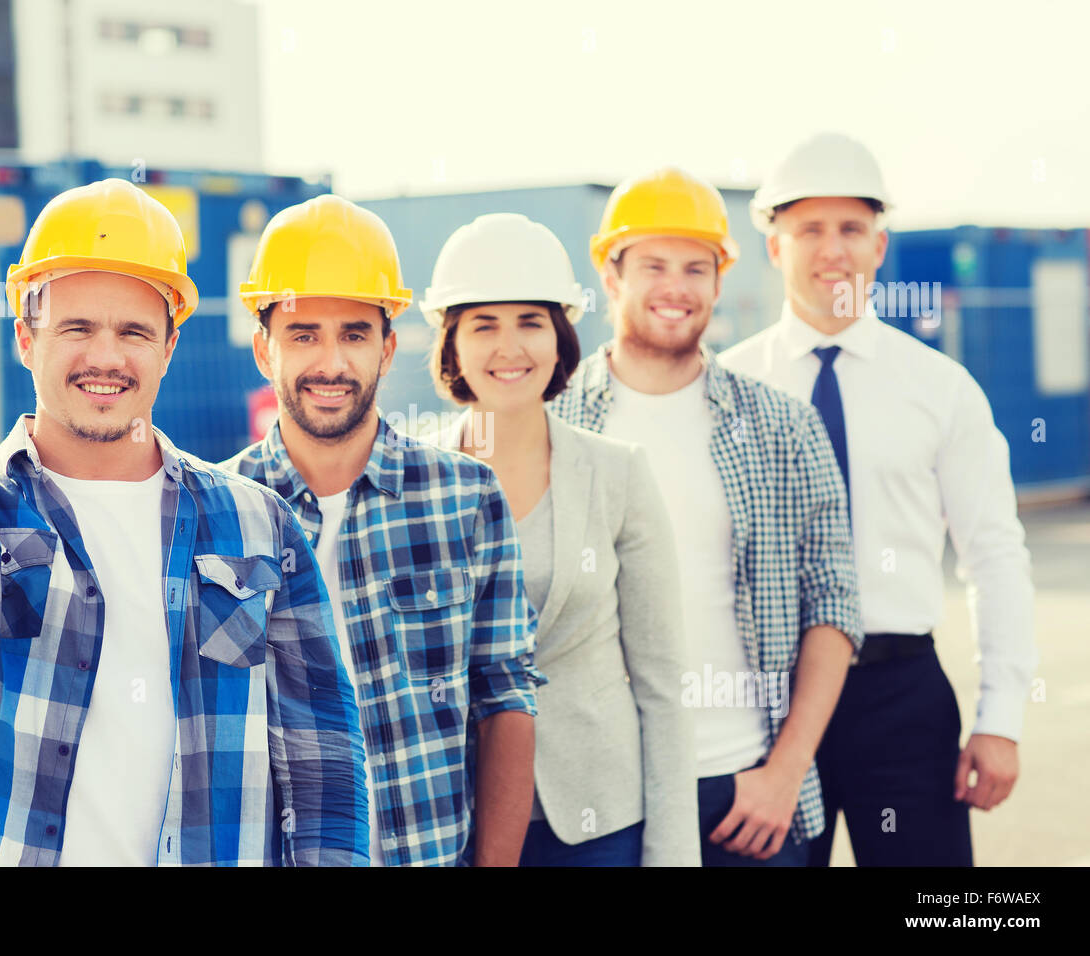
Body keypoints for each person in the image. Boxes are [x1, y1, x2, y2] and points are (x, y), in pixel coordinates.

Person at [0, 178, 367, 866]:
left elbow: (324, 766)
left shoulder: (259, 525)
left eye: (133, 331)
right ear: (25, 337)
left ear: (168, 347)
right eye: (76, 328)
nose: (105, 356)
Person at [720, 132, 1038, 866]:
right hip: (760, 701)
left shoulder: (940, 389)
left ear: (881, 245)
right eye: (810, 229)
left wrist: (1002, 718)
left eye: (852, 229)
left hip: (899, 700)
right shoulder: (726, 389)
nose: (833, 249)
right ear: (774, 247)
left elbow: (994, 555)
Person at [548, 168, 863, 866]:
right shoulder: (553, 424)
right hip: (602, 800)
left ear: (720, 282)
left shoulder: (783, 426)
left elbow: (835, 604)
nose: (676, 287)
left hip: (745, 794)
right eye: (653, 265)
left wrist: (785, 772)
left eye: (697, 267)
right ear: (610, 275)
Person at [222, 195, 545, 867]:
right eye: (303, 333)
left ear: (389, 347)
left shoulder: (466, 497)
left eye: (355, 334)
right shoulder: (217, 514)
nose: (331, 364)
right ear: (263, 348)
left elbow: (505, 694)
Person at [421, 213, 700, 866]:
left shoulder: (618, 473)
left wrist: (673, 854)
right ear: (453, 345)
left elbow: (663, 684)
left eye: (530, 321)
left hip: (597, 824)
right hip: (453, 821)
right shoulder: (411, 478)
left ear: (561, 337)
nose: (509, 347)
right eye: (483, 324)